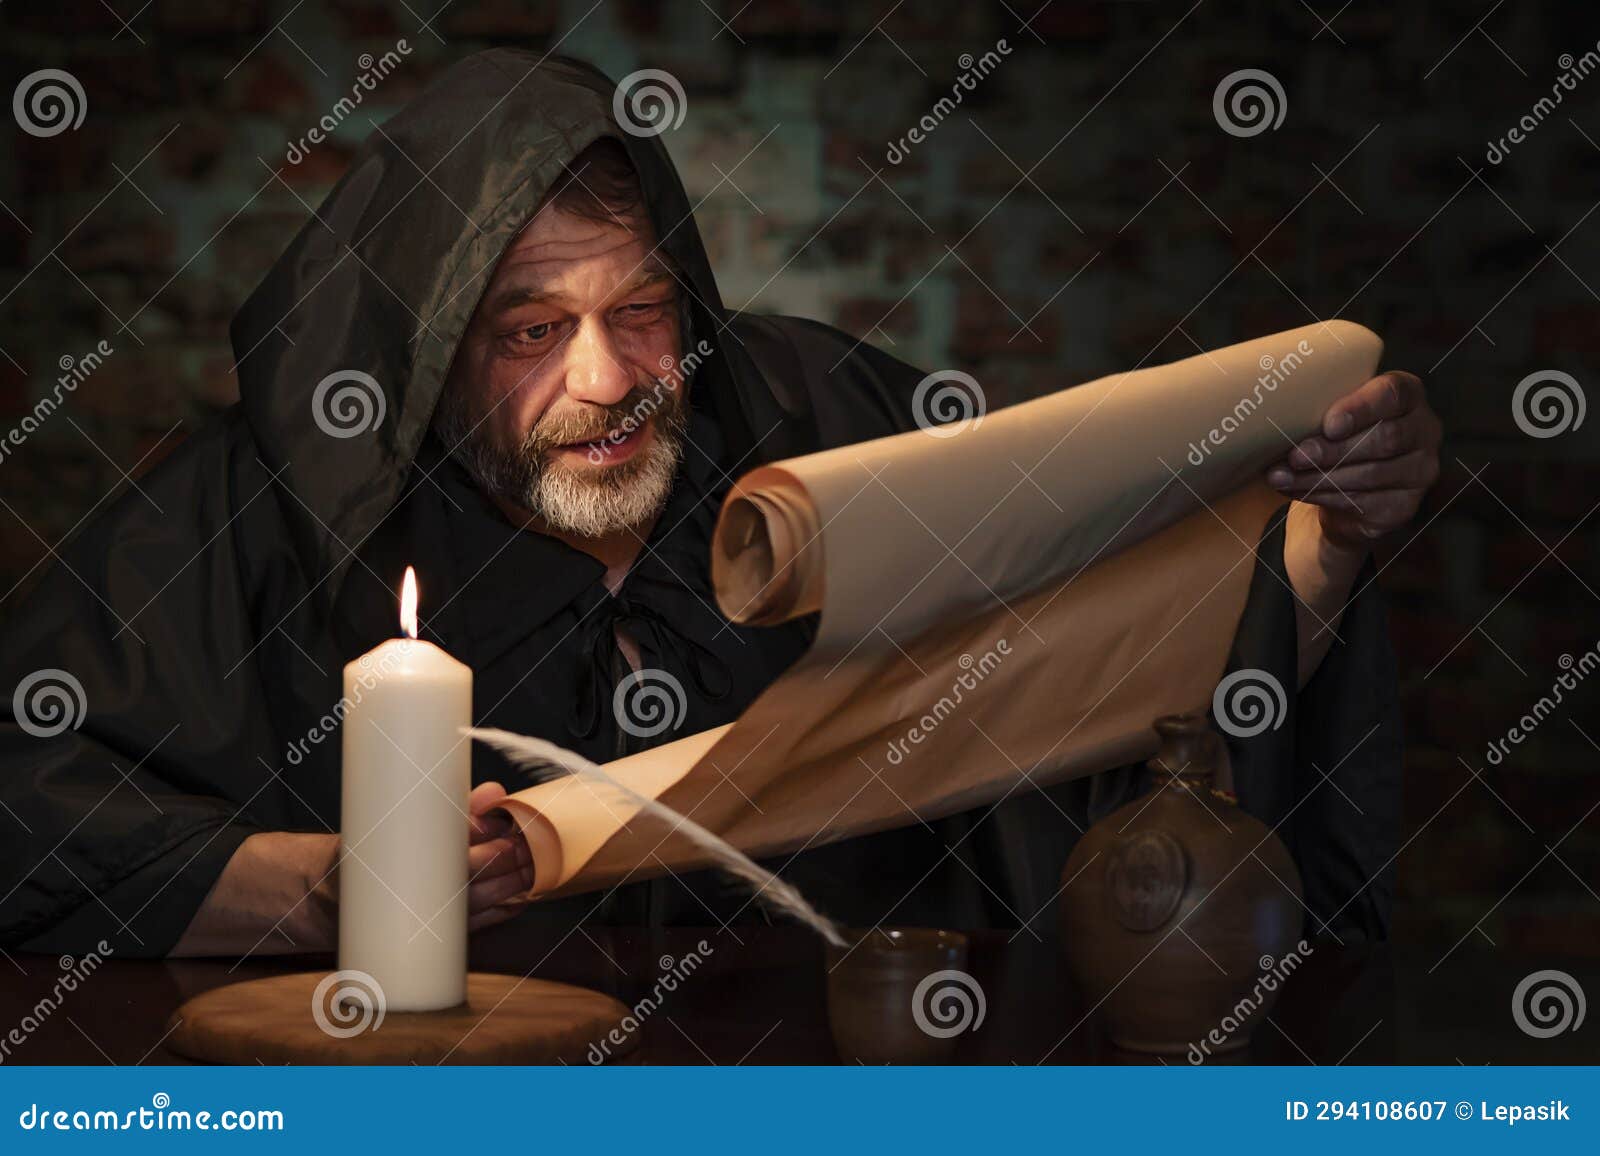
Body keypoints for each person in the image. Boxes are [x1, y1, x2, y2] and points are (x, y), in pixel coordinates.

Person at [0, 52, 1439, 958]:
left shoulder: (848, 427)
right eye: (523, 330)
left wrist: (1322, 547)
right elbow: (28, 804)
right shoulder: (270, 502)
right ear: (424, 357)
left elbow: (1114, 700)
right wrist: (325, 888)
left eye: (641, 310)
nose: (609, 378)